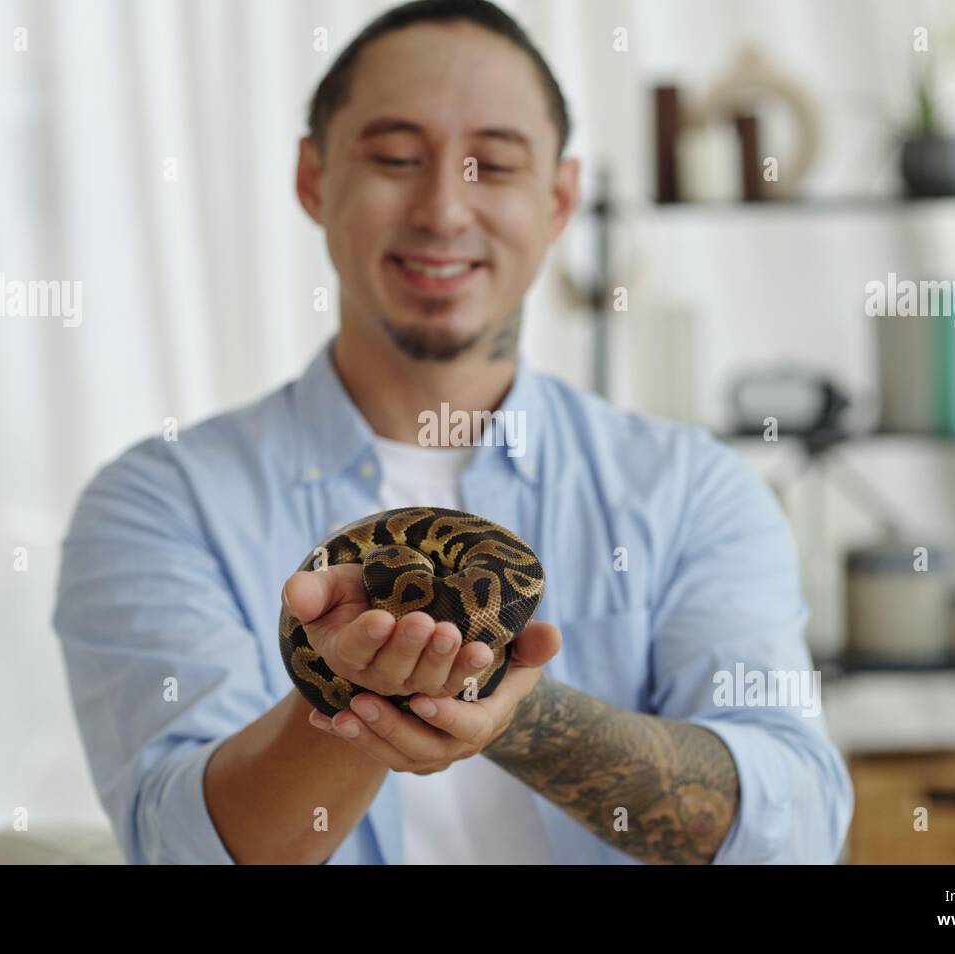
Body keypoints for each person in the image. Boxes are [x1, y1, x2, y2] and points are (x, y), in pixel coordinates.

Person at [53, 0, 853, 865]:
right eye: (396, 158)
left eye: (494, 167)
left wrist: (515, 708)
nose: (442, 209)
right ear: (314, 178)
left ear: (558, 200)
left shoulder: (694, 491)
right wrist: (358, 701)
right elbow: (179, 845)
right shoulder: (161, 504)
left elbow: (797, 822)